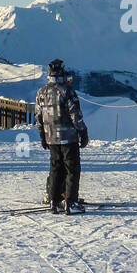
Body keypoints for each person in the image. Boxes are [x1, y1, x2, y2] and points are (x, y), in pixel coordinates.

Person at [34, 59, 88, 214]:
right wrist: (83, 132)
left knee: (56, 168)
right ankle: (70, 202)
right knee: (72, 169)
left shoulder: (41, 92)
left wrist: (42, 136)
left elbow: (38, 116)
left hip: (51, 137)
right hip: (68, 137)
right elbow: (75, 114)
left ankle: (54, 200)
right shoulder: (67, 91)